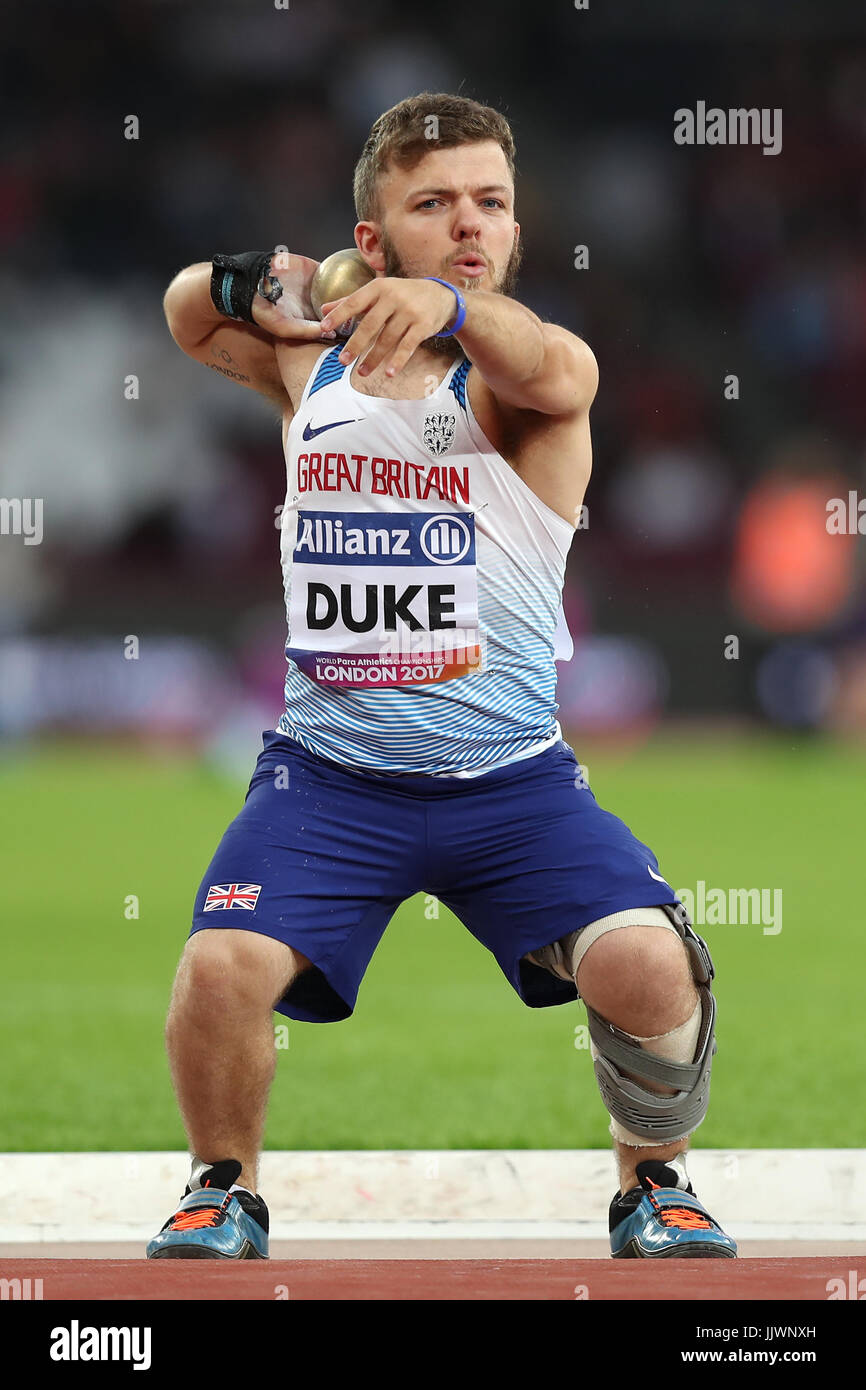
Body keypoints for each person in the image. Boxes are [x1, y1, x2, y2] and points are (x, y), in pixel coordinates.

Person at [147, 92, 735, 1262]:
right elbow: (180, 312)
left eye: (490, 203)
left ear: (515, 232)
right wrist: (252, 282)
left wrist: (449, 305)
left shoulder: (524, 383)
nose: (468, 222)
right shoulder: (307, 369)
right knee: (219, 968)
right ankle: (224, 1187)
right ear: (371, 241)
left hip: (510, 784)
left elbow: (555, 364)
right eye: (432, 205)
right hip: (328, 778)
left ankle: (652, 1183)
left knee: (646, 956)